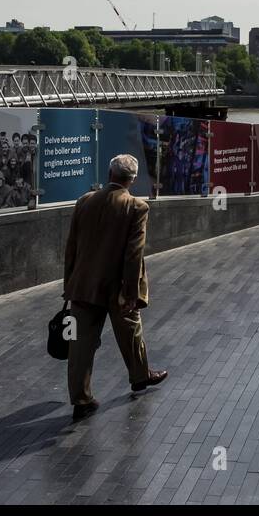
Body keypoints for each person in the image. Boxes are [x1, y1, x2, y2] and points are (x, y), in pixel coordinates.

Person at [63, 154, 167, 421]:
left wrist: (69, 284)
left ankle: (81, 399)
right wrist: (130, 292)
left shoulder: (84, 201)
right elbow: (134, 253)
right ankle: (140, 376)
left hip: (83, 286)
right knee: (131, 332)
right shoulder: (136, 207)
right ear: (131, 180)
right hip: (117, 289)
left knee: (79, 345)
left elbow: (71, 247)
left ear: (110, 174)